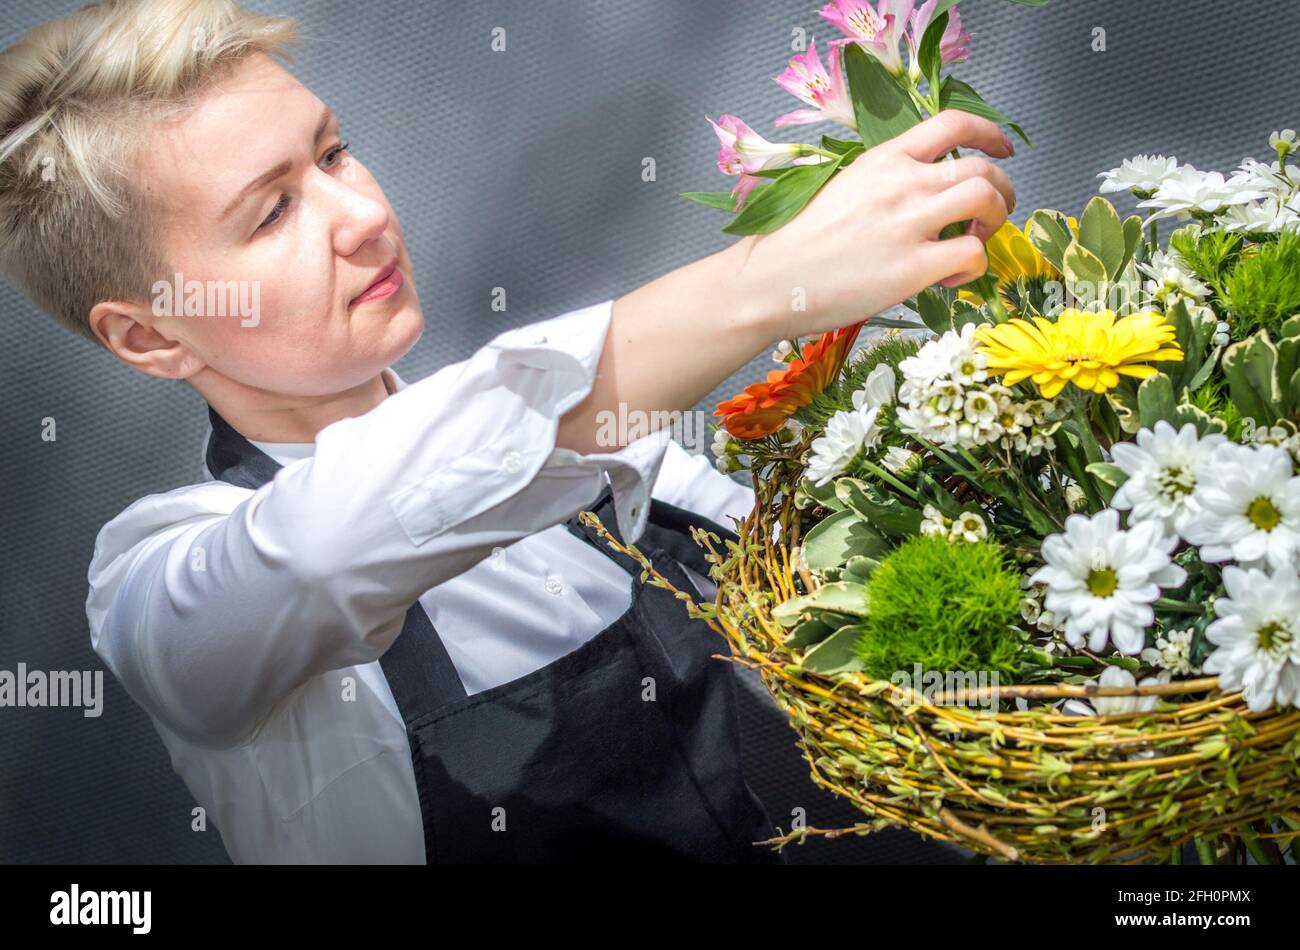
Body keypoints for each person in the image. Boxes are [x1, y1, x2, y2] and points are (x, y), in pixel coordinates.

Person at [0, 0, 1015, 863]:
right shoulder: (158, 590)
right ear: (150, 335)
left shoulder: (610, 451)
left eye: (334, 153)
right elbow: (335, 541)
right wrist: (769, 283)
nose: (361, 216)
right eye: (271, 213)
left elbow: (841, 602)